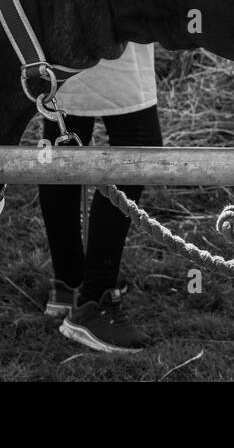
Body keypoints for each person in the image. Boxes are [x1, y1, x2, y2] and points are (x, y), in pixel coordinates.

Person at [39, 44, 164, 352]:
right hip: (107, 21)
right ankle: (94, 299)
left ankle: (68, 284)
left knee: (65, 133)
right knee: (138, 143)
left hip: (66, 23)